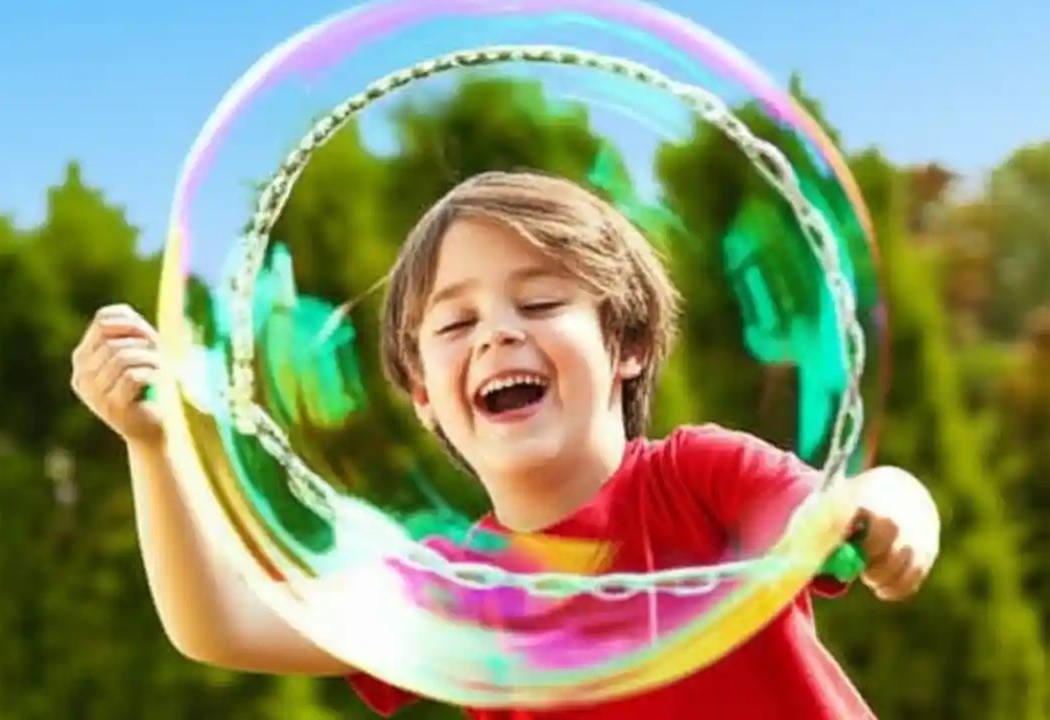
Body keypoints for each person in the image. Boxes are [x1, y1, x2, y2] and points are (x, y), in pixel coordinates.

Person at [70, 171, 940, 719]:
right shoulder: (460, 591)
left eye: (539, 303)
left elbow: (854, 502)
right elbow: (217, 626)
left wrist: (885, 515)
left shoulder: (698, 476)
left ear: (626, 344)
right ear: (423, 396)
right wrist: (152, 447)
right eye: (454, 322)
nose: (495, 336)